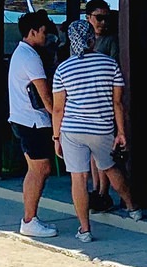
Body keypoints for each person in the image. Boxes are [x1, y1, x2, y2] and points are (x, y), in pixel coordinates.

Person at [52, 21, 139, 241]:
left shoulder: (63, 68)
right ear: (93, 39)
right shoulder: (110, 64)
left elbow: (58, 108)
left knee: (78, 178)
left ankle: (85, 229)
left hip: (72, 129)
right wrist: (121, 132)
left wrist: (56, 136)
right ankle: (133, 208)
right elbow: (118, 103)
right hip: (102, 127)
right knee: (110, 168)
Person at [6, 11, 58, 237]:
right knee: (40, 169)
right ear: (33, 32)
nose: (46, 36)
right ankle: (29, 219)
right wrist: (59, 121)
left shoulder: (22, 53)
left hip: (22, 118)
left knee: (35, 169)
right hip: (33, 121)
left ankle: (29, 217)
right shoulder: (31, 58)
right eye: (44, 32)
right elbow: (46, 97)